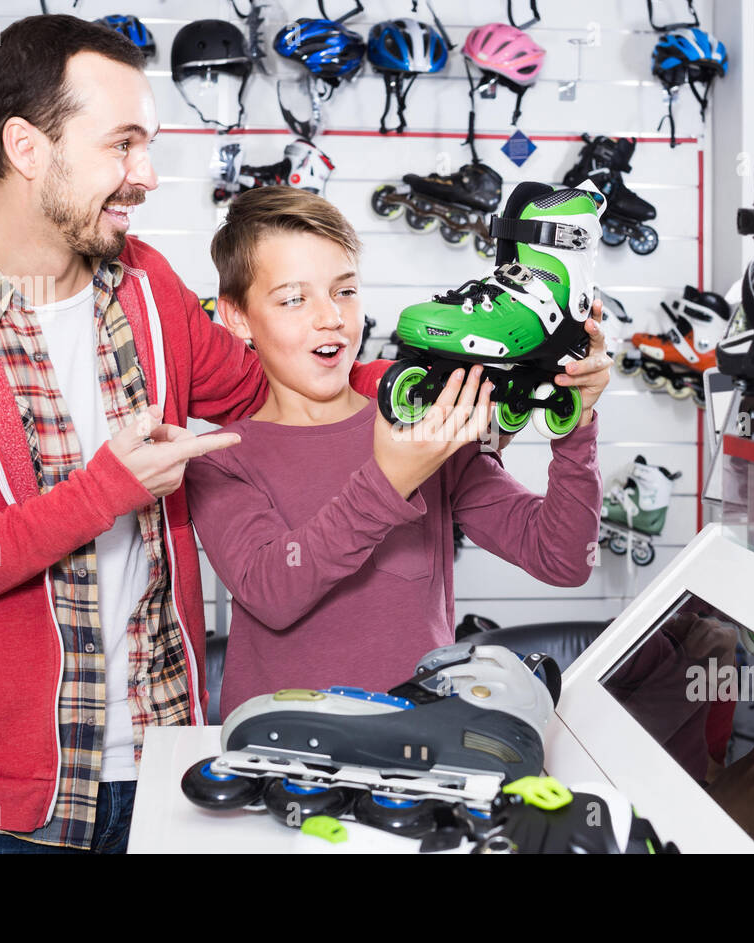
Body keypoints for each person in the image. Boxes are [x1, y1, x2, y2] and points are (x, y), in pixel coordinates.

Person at [0, 15, 386, 853]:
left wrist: (445, 379)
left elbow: (265, 392)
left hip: (171, 761)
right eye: (122, 145)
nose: (148, 175)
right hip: (8, 812)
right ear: (26, 147)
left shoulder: (147, 288)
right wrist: (102, 495)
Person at [183, 186, 611, 714]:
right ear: (238, 317)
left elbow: (561, 558)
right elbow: (273, 593)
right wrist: (389, 480)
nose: (330, 318)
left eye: (345, 291)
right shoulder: (222, 457)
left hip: (417, 743)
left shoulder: (424, 428)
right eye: (294, 298)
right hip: (283, 751)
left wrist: (576, 424)